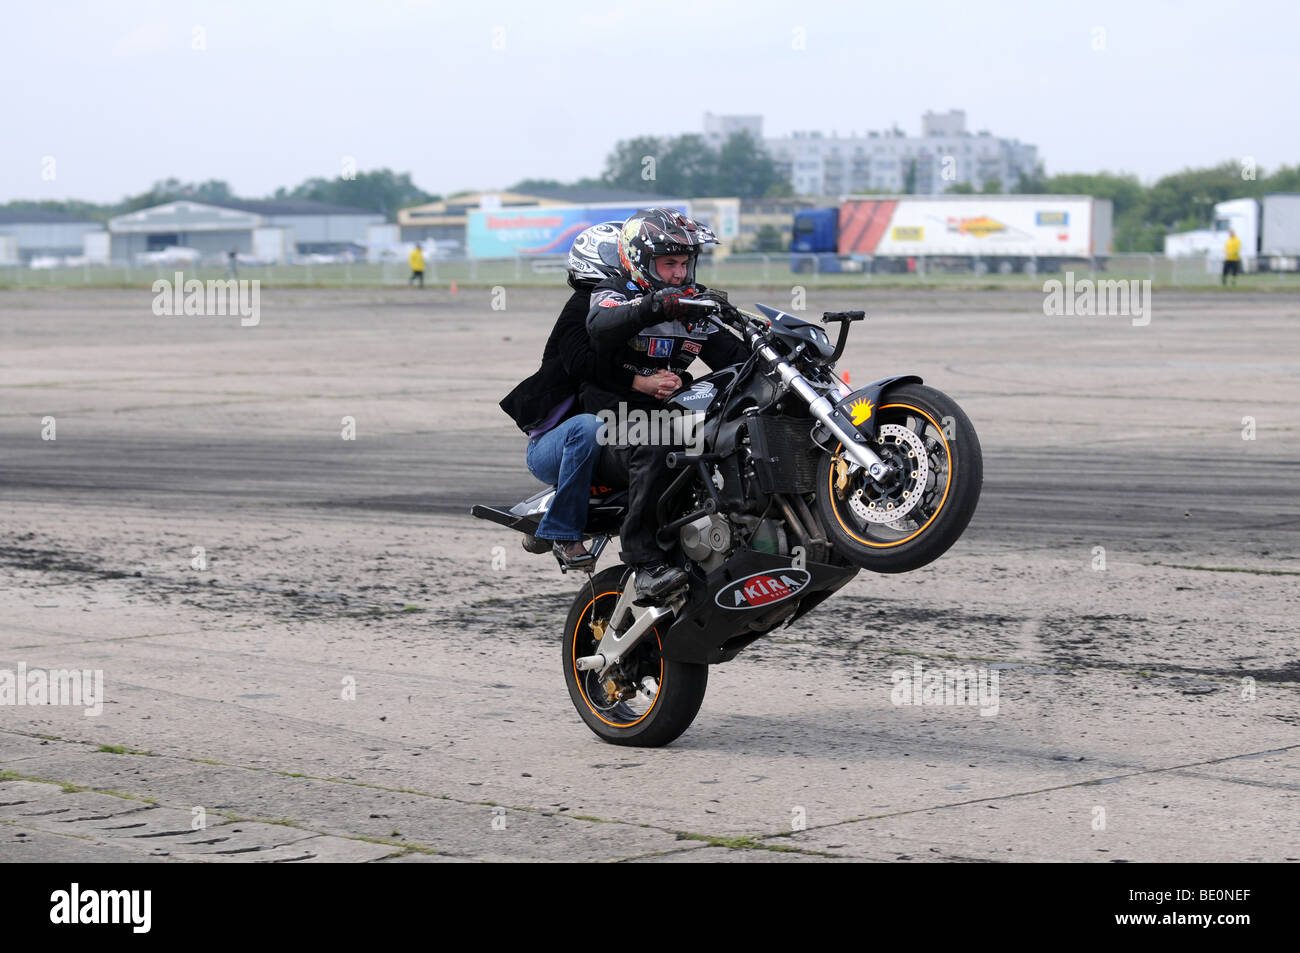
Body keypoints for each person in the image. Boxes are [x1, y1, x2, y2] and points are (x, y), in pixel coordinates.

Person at [585, 208, 750, 602]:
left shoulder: (692, 313)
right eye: (669, 263)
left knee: (729, 430)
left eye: (685, 263)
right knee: (660, 439)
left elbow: (737, 358)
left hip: (661, 422)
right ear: (641, 261)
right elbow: (599, 325)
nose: (679, 273)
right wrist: (657, 305)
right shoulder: (615, 293)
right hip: (606, 425)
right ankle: (644, 564)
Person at [499, 222, 678, 568]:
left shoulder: (632, 307)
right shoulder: (582, 306)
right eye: (620, 254)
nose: (629, 260)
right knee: (586, 426)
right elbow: (581, 364)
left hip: (610, 430)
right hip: (555, 442)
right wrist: (639, 382)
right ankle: (565, 534)